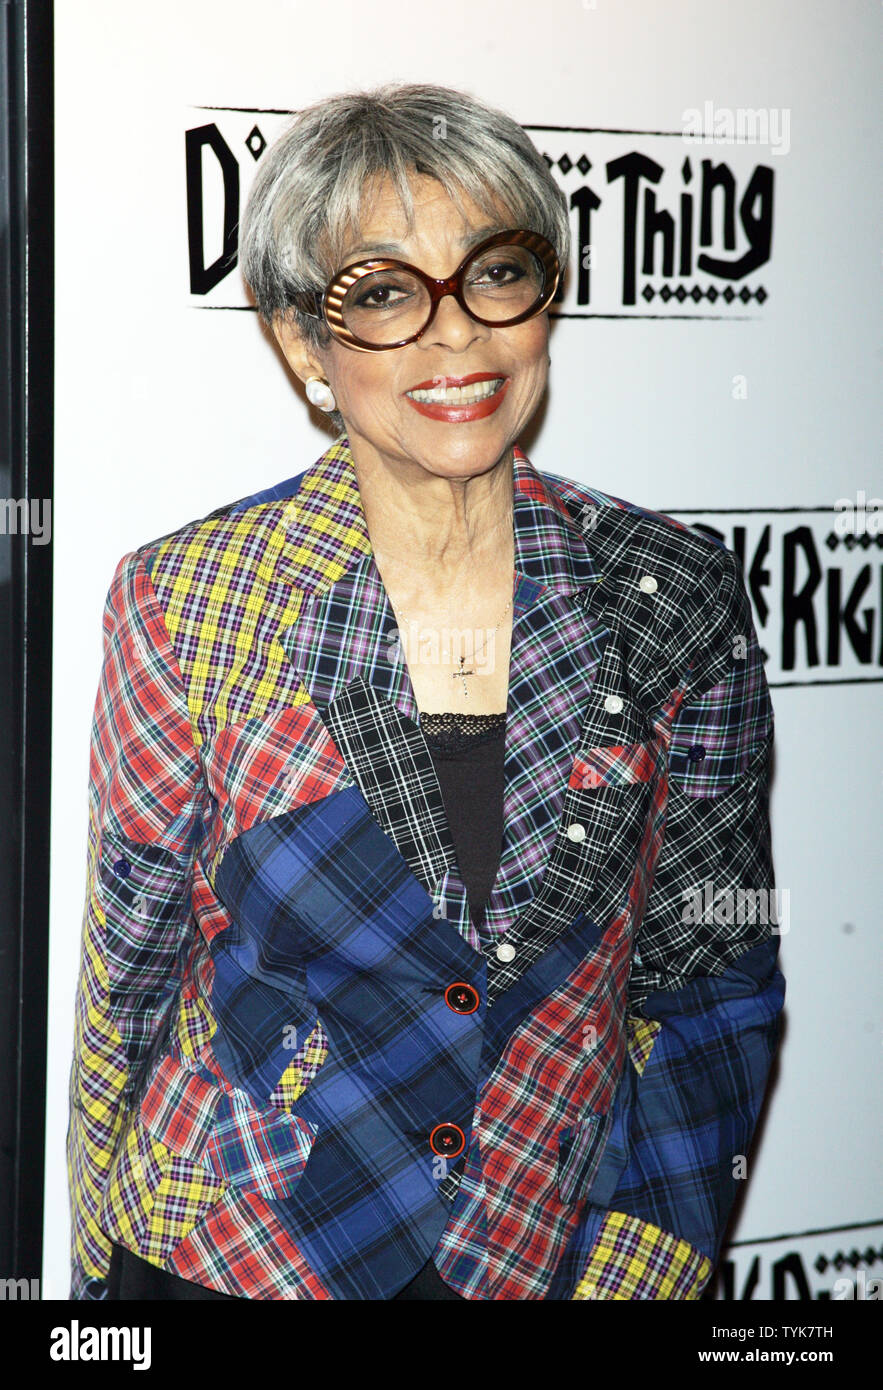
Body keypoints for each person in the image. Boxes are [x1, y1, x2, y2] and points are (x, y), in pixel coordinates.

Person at [67, 81, 785, 1301]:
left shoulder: (669, 591)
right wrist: (93, 1280)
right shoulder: (185, 599)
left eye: (495, 275)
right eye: (385, 294)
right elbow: (129, 978)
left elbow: (711, 971)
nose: (458, 339)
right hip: (235, 1252)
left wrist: (643, 1267)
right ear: (304, 340)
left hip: (547, 1251)